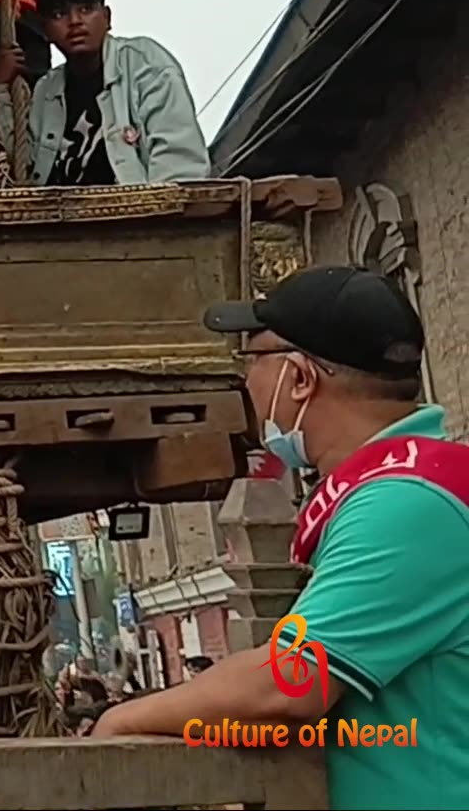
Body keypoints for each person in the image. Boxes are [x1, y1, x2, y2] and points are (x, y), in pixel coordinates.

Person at [94, 265, 469, 809]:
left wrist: (124, 717)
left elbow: (288, 683)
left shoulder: (407, 503)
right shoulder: (422, 483)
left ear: (299, 378)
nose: (246, 383)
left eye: (251, 359)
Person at [0, 0, 208, 186]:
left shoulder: (145, 65)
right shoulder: (46, 90)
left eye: (86, 9)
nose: (75, 21)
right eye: (59, 14)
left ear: (107, 18)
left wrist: (157, 216)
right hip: (57, 216)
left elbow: (179, 166)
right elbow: (18, 167)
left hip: (132, 216)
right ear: (46, 30)